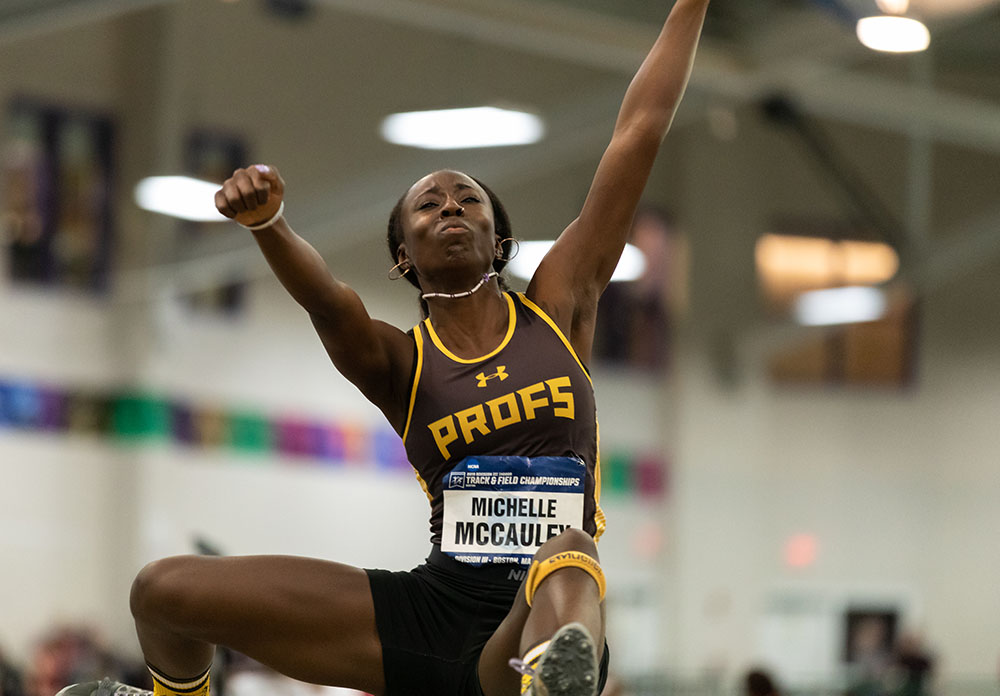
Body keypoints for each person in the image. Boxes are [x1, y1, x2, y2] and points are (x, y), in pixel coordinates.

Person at [59, 2, 710, 695]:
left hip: (537, 620)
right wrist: (270, 224)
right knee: (164, 590)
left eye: (469, 199)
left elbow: (638, 134)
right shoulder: (399, 363)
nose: (452, 206)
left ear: (499, 240)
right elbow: (327, 301)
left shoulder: (558, 306)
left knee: (570, 551)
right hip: (430, 614)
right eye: (429, 204)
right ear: (404, 255)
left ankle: (553, 679)